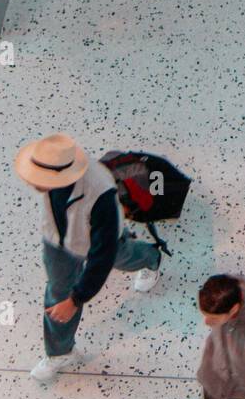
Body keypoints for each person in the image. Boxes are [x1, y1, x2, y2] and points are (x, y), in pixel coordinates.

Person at [14, 132, 161, 383]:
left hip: (97, 241)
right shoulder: (58, 175)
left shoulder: (99, 194)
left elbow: (101, 258)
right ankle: (60, 352)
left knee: (123, 257)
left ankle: (150, 257)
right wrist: (66, 298)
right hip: (57, 239)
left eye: (41, 179)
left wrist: (76, 299)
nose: (34, 183)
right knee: (57, 294)